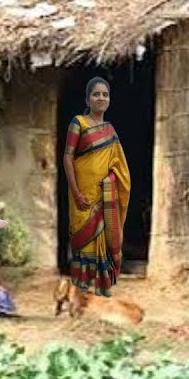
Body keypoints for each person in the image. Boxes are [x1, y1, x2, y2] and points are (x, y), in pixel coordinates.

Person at [63, 77, 132, 297]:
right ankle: (82, 286)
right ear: (88, 98)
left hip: (104, 194)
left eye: (105, 94)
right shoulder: (78, 123)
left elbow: (119, 165)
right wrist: (75, 192)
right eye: (96, 94)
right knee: (83, 237)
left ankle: (103, 284)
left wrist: (111, 182)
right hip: (81, 193)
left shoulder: (110, 131)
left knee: (104, 236)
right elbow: (67, 158)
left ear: (109, 99)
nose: (100, 98)